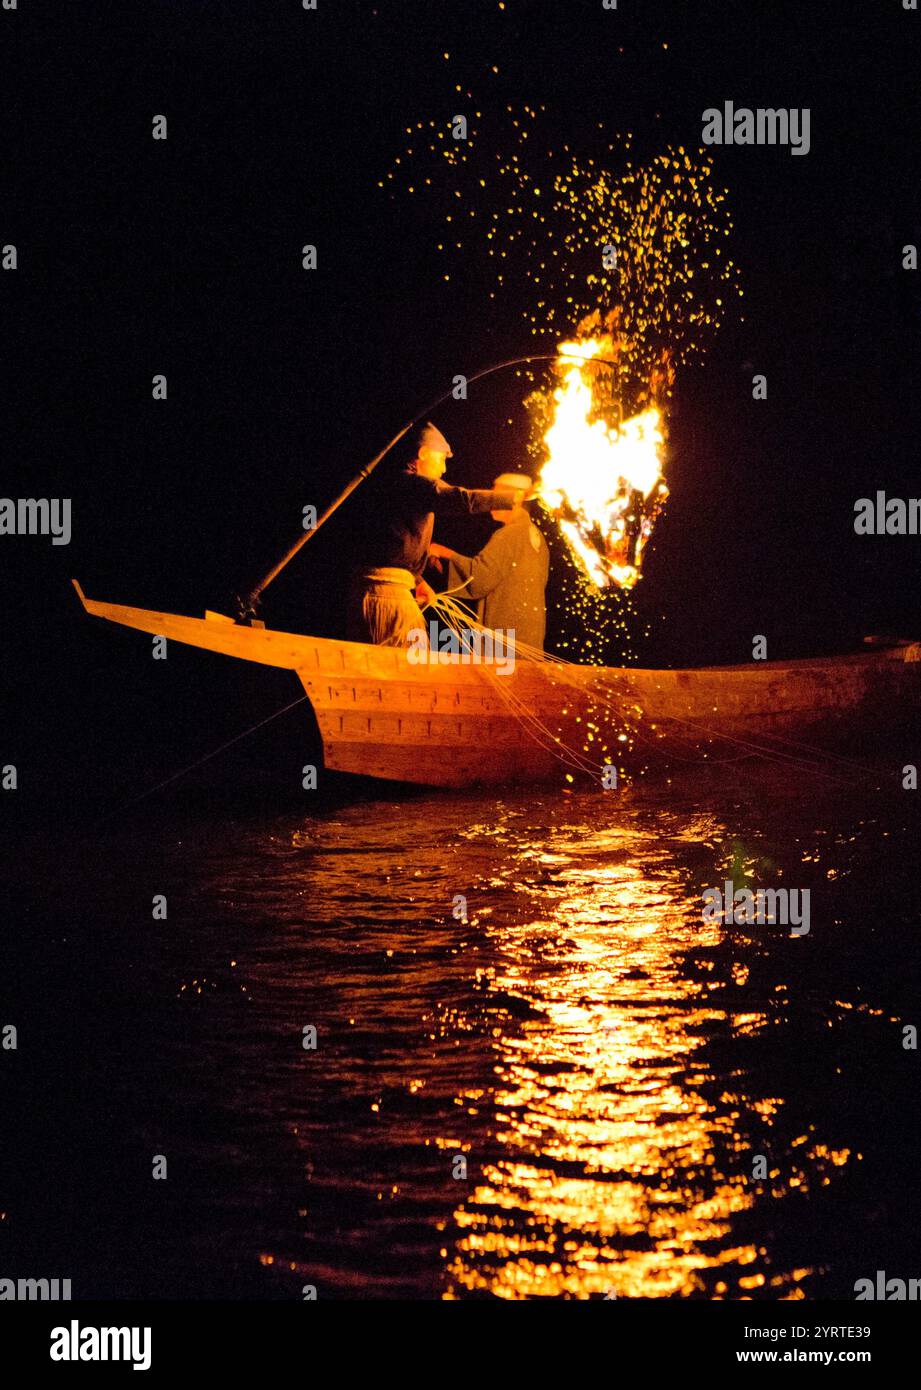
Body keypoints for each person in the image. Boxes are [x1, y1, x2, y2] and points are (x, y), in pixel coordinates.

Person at [347, 423, 517, 648]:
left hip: (386, 592)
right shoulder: (409, 483)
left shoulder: (406, 487)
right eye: (442, 459)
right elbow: (460, 499)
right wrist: (510, 498)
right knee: (407, 673)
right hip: (384, 598)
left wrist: (417, 580)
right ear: (423, 453)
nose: (445, 469)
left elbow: (393, 545)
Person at [428, 472, 550, 653]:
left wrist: (443, 552)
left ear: (514, 498)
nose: (489, 501)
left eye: (495, 495)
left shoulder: (509, 534)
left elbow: (481, 577)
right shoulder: (536, 536)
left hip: (505, 642)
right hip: (530, 641)